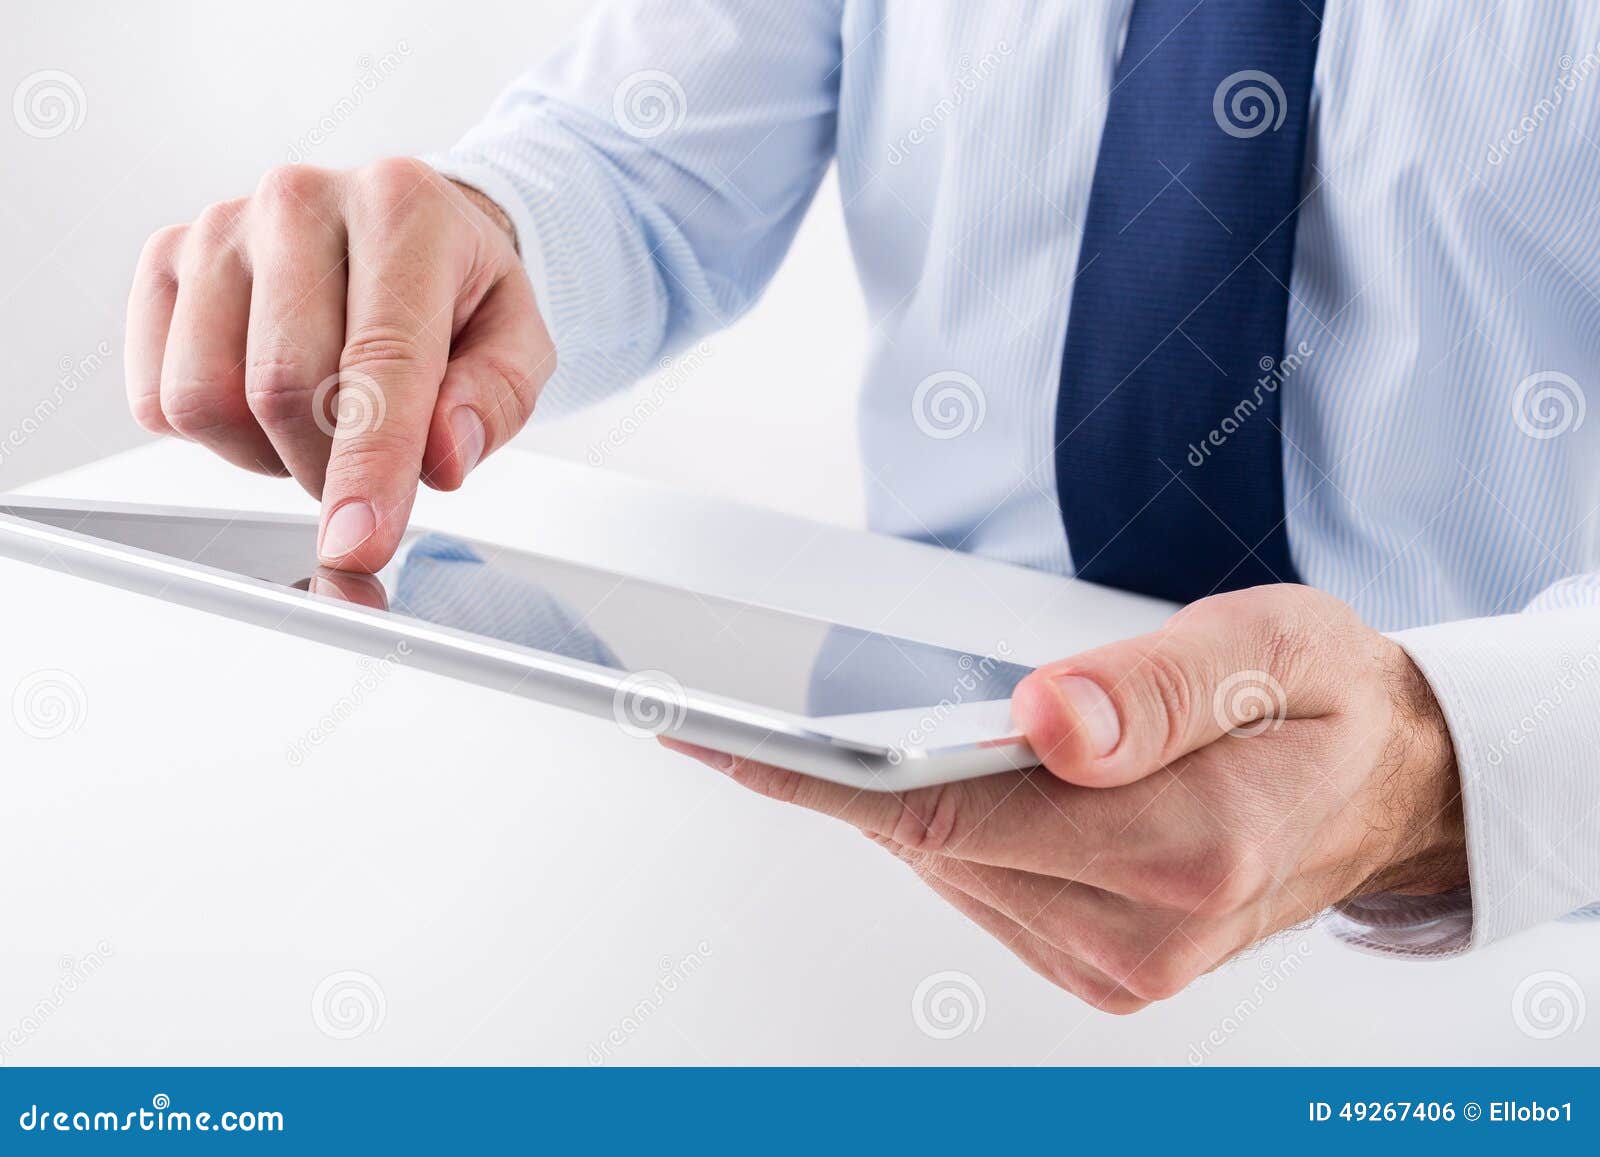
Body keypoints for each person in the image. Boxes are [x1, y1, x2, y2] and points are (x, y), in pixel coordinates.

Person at [124, 0, 1600, 1011]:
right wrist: (476, 236)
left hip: (1522, 934)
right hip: (925, 838)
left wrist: (1447, 766)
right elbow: (641, 159)